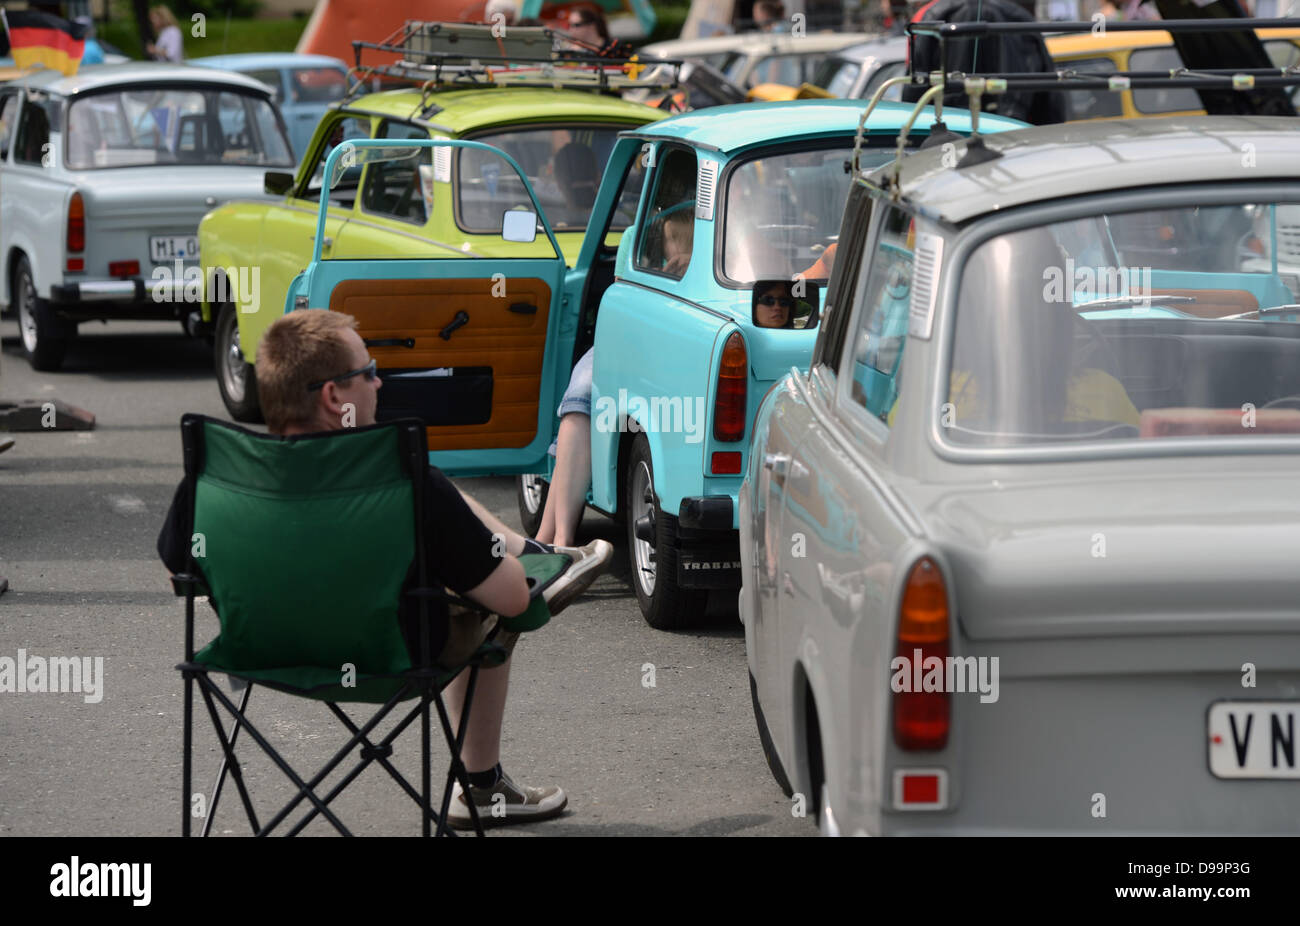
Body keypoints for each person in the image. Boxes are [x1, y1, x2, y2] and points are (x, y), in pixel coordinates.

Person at [157, 310, 613, 827]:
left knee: (434, 520)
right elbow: (511, 599)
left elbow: (179, 571)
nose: (379, 382)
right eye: (369, 371)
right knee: (497, 601)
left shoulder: (209, 480)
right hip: (393, 656)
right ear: (333, 396)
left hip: (254, 653)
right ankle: (481, 788)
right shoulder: (407, 483)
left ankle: (520, 550)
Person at [535, 210, 694, 546]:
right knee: (579, 398)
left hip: (682, 345)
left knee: (578, 405)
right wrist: (664, 278)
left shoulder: (724, 232)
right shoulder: (637, 238)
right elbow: (622, 305)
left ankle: (550, 540)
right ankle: (559, 539)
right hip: (629, 340)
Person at [563, 5, 633, 58]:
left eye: (576, 25)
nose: (571, 29)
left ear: (591, 26)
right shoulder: (571, 53)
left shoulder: (616, 48)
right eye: (569, 25)